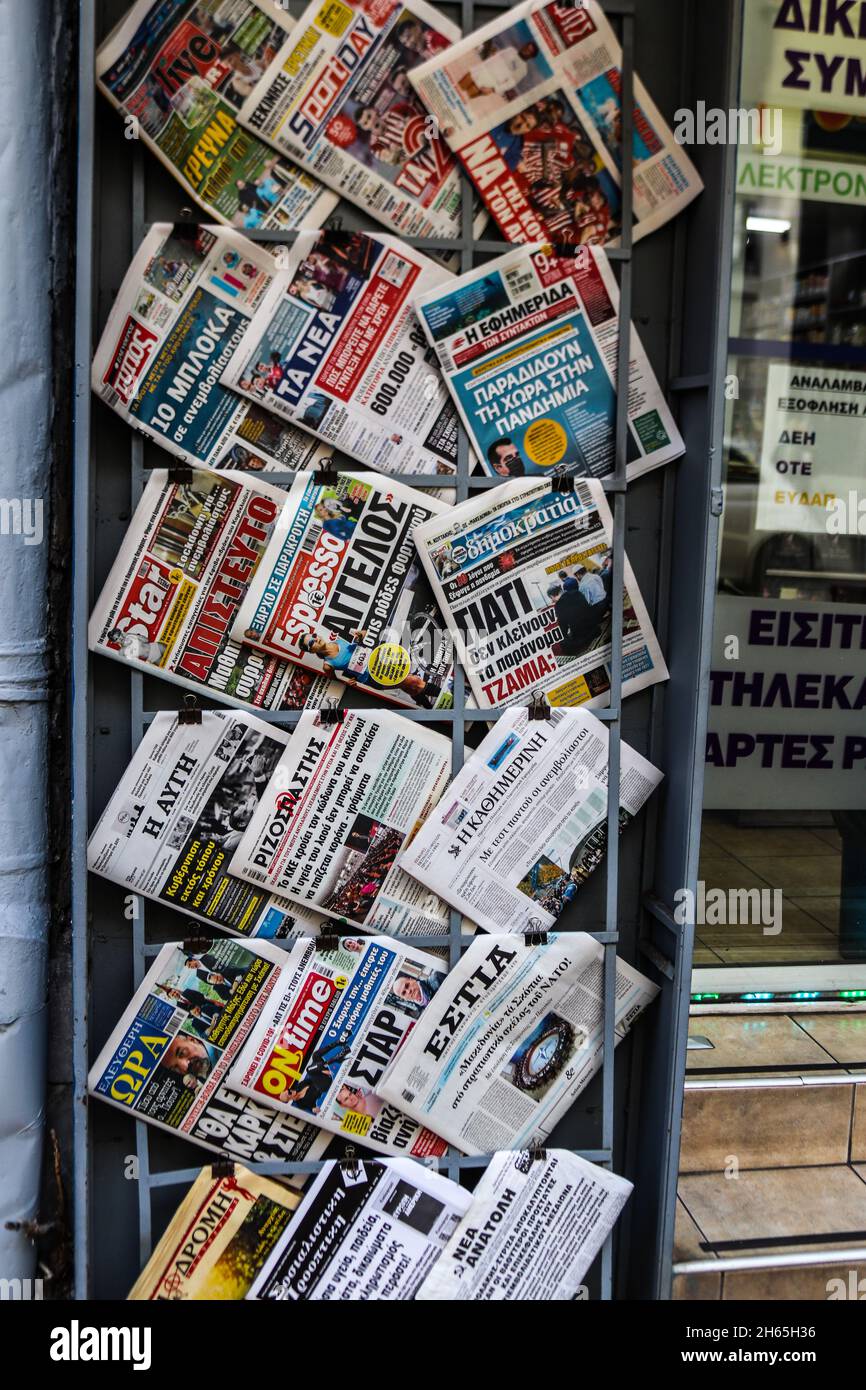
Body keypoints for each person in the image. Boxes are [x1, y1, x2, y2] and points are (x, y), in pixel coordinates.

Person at [458, 37, 539, 101]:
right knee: (458, 87)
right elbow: (493, 58)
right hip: (478, 71)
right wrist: (476, 68)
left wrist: (493, 89)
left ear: (531, 56)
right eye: (526, 47)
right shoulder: (511, 50)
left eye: (529, 51)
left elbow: (510, 83)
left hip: (487, 84)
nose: (525, 50)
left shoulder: (523, 69)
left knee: (464, 98)